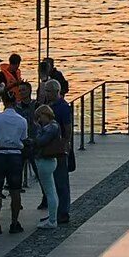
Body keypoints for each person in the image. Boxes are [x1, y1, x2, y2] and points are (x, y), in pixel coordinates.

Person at [0, 92, 29, 234]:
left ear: (3, 102)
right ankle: (15, 222)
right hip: (15, 155)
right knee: (15, 191)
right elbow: (23, 138)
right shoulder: (22, 120)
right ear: (15, 102)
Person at [39, 80, 73, 225]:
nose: (45, 93)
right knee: (52, 183)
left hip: (58, 150)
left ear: (56, 91)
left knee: (61, 182)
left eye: (47, 91)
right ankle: (54, 213)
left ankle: (63, 212)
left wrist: (66, 143)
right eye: (45, 91)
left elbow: (68, 127)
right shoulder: (48, 106)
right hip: (49, 150)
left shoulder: (63, 107)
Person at [30, 104, 65, 229]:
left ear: (46, 114)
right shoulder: (53, 126)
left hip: (45, 160)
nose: (39, 120)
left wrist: (35, 136)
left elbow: (41, 141)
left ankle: (52, 220)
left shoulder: (50, 127)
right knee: (51, 191)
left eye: (40, 117)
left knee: (49, 191)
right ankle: (52, 217)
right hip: (50, 160)